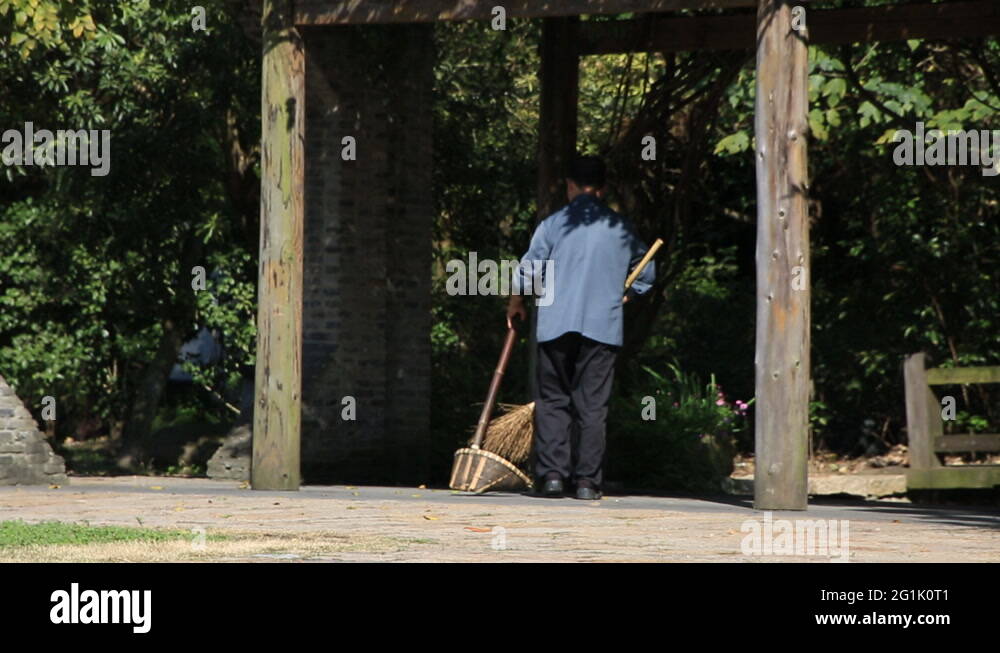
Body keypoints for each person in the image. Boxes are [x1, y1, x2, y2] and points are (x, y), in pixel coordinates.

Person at [507, 155, 655, 499]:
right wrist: (629, 294)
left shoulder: (554, 224)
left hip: (555, 324)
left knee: (553, 400)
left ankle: (554, 477)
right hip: (602, 326)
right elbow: (646, 271)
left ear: (571, 186)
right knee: (592, 406)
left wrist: (515, 302)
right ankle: (587, 482)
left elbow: (529, 268)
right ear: (602, 190)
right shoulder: (621, 229)